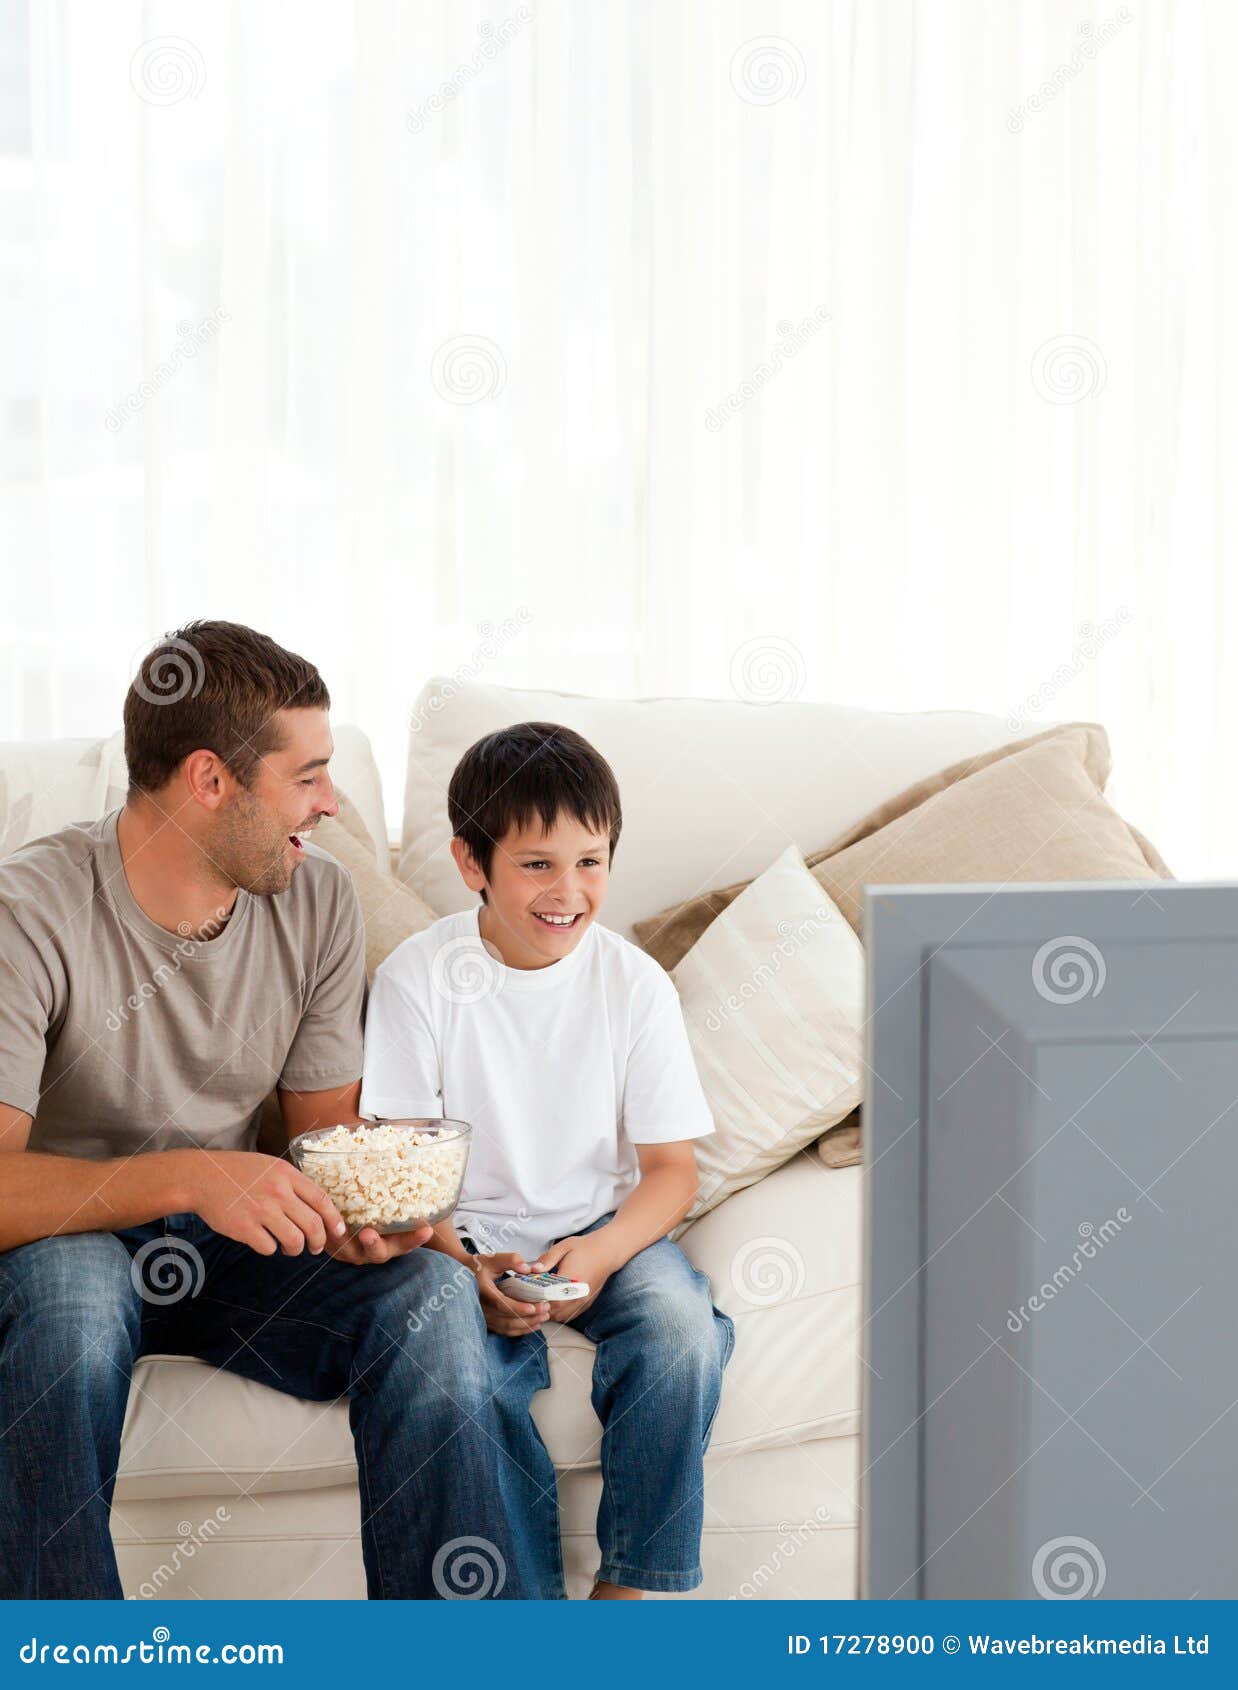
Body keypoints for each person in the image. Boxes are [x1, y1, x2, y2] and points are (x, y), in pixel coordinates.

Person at [0, 620, 535, 1600]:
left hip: (229, 1242)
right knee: (74, 1308)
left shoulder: (317, 901)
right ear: (211, 781)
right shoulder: (28, 910)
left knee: (425, 1302)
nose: (330, 805)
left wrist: (388, 1230)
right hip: (65, 1240)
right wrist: (191, 1174)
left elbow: (319, 1142)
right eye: (307, 776)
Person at [360, 720, 735, 1599]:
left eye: (591, 861)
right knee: (466, 1382)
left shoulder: (633, 983)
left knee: (683, 1333)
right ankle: (526, 1624)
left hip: (601, 1229)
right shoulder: (418, 979)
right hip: (463, 1237)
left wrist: (600, 1255)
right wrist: (467, 1264)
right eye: (537, 864)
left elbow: (671, 1171)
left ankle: (632, 1590)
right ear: (470, 863)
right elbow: (403, 1180)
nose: (569, 891)